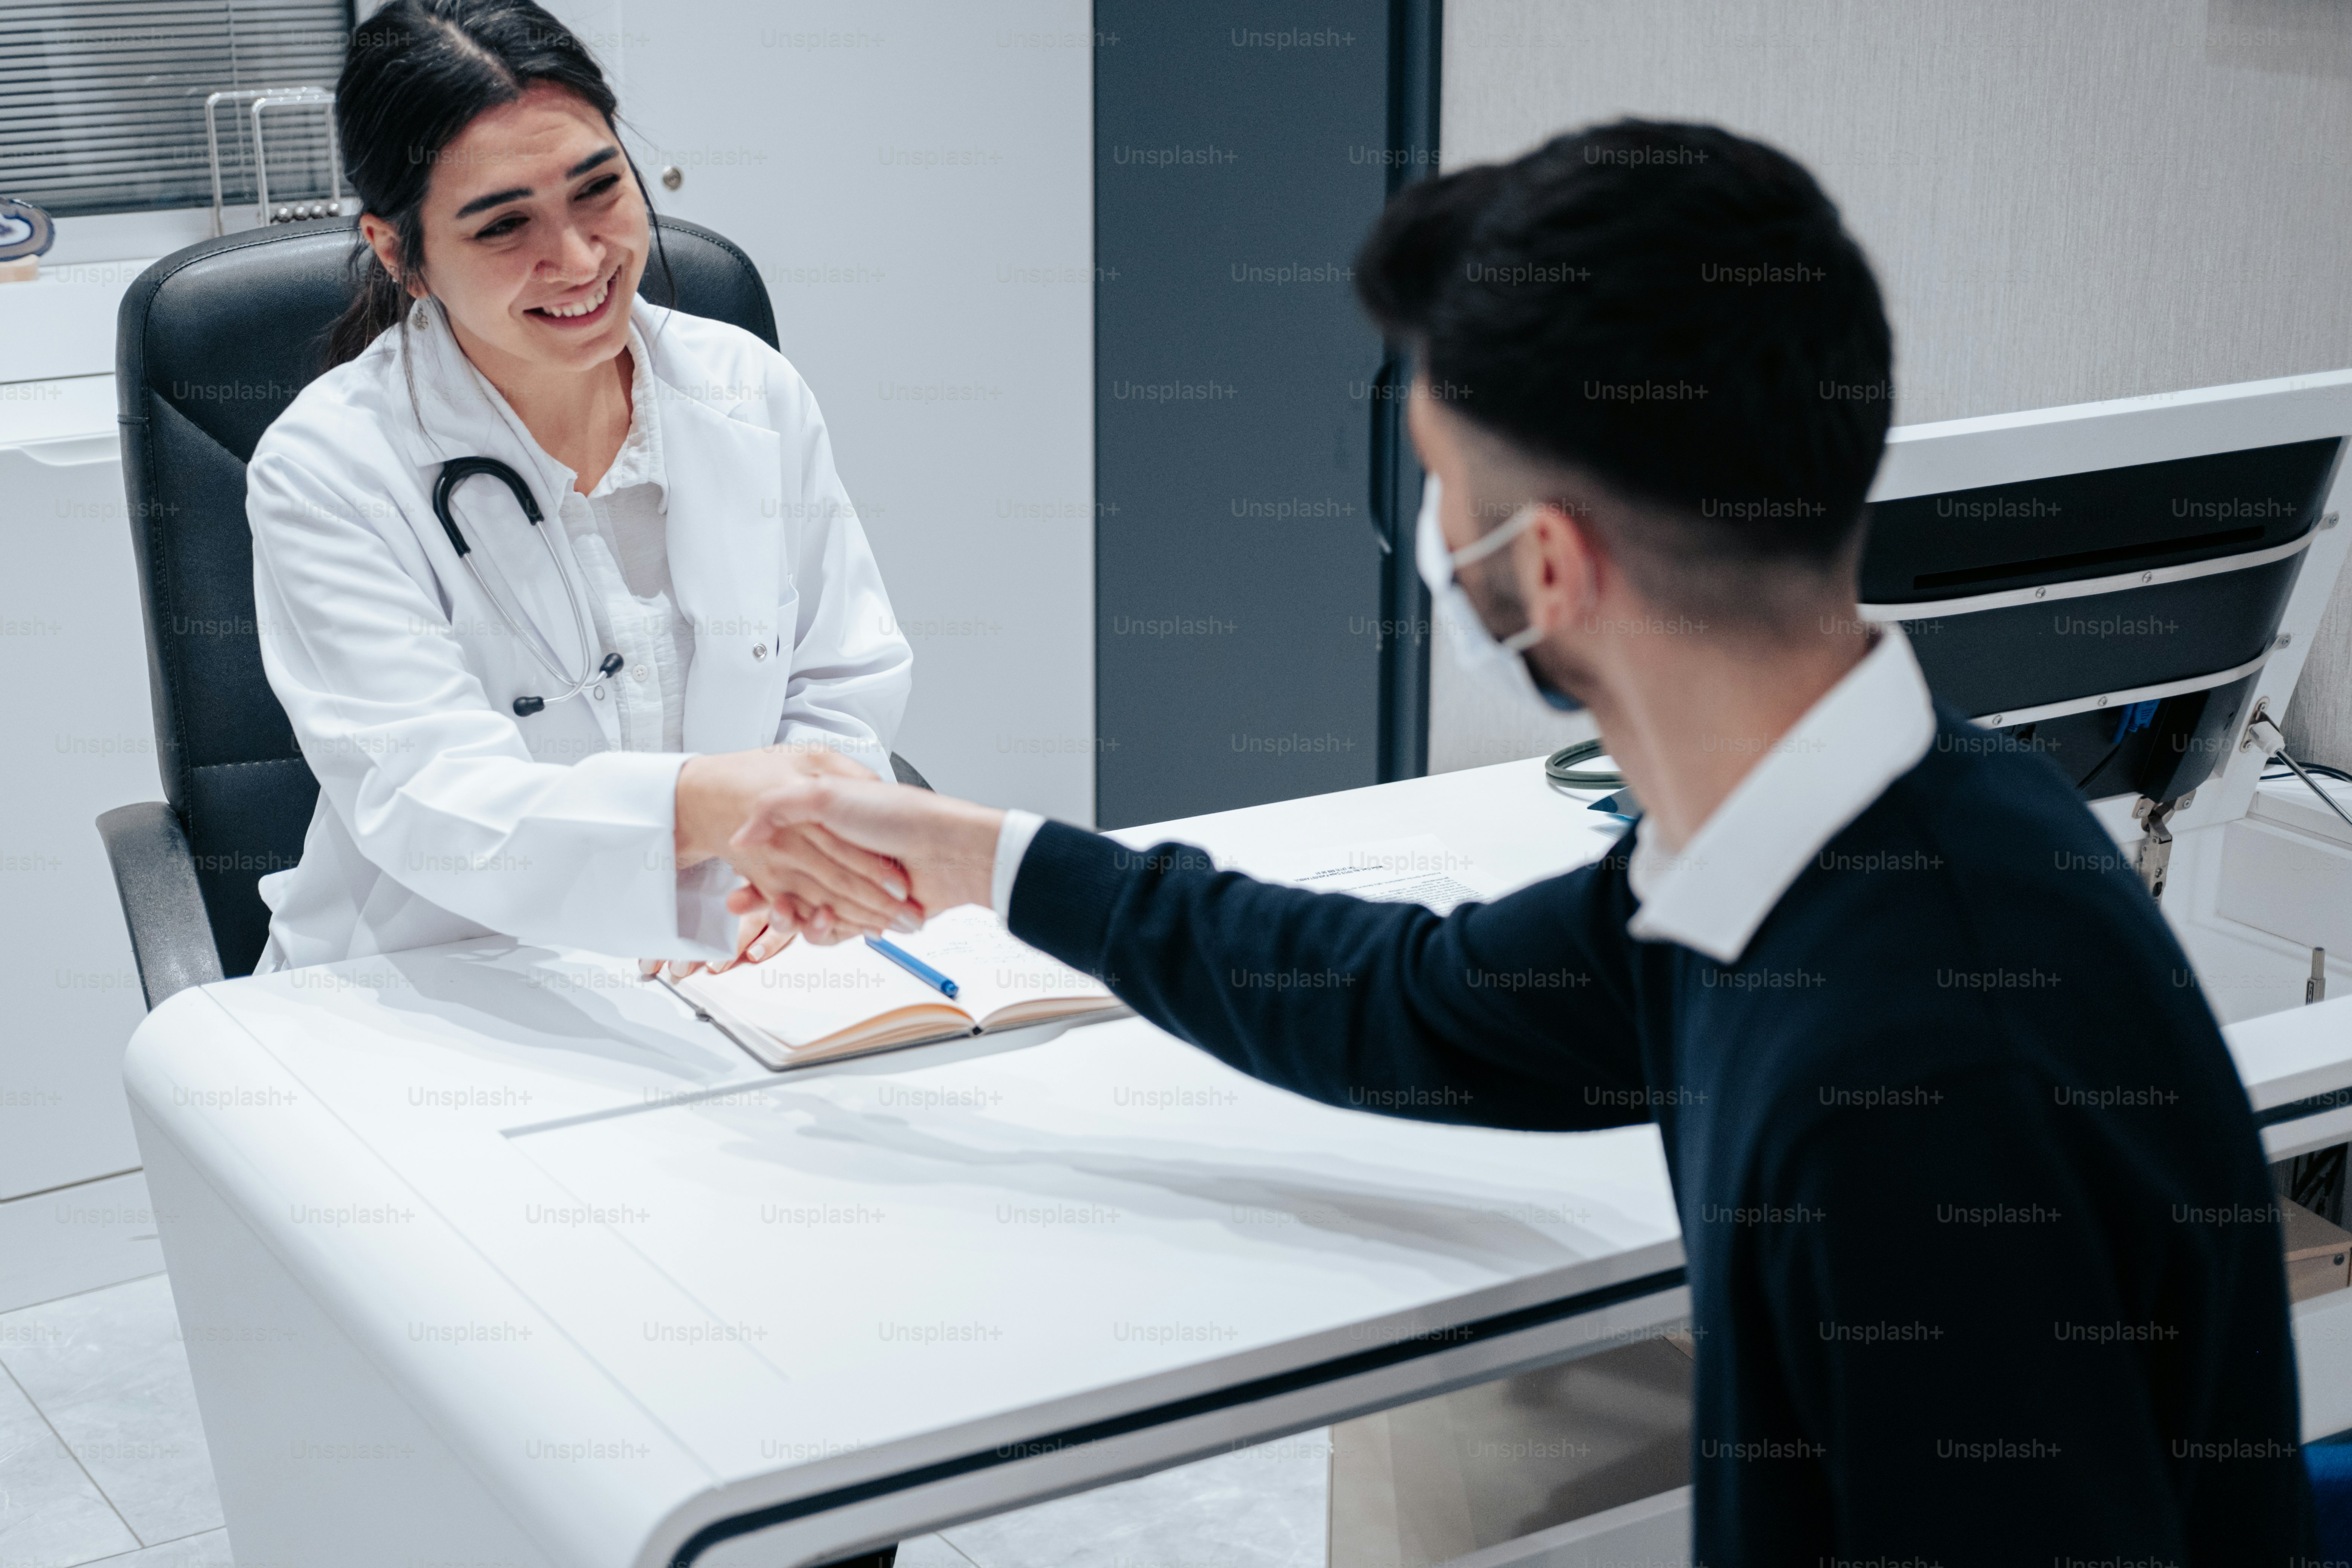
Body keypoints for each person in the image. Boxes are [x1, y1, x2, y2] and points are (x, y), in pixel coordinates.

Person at [728, 121, 2316, 1562]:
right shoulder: (1882, 823)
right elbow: (1404, 1001)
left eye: (1436, 491)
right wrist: (984, 854)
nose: (1429, 540)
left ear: (1542, 564)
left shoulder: (1907, 1088)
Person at [246, 0, 922, 984]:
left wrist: (795, 854)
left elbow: (842, 678)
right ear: (402, 256)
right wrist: (711, 811)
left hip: (743, 948)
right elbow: (436, 801)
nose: (579, 260)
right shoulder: (330, 468)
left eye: (599, 189)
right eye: (505, 225)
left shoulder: (747, 390)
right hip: (445, 979)